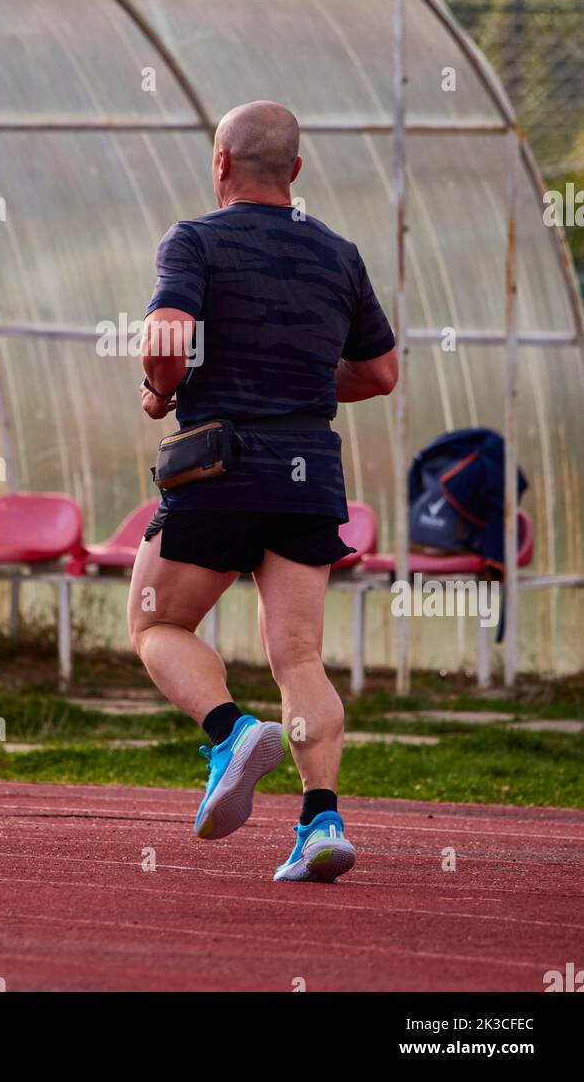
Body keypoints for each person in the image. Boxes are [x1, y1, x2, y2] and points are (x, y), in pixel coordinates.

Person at [127, 100, 397, 882]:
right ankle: (320, 823)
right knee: (298, 657)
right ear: (296, 172)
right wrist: (302, 380)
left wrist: (158, 390)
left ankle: (228, 731)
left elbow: (167, 334)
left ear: (220, 164)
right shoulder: (337, 254)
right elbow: (378, 374)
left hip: (220, 467)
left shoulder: (196, 239)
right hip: (310, 472)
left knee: (156, 624)